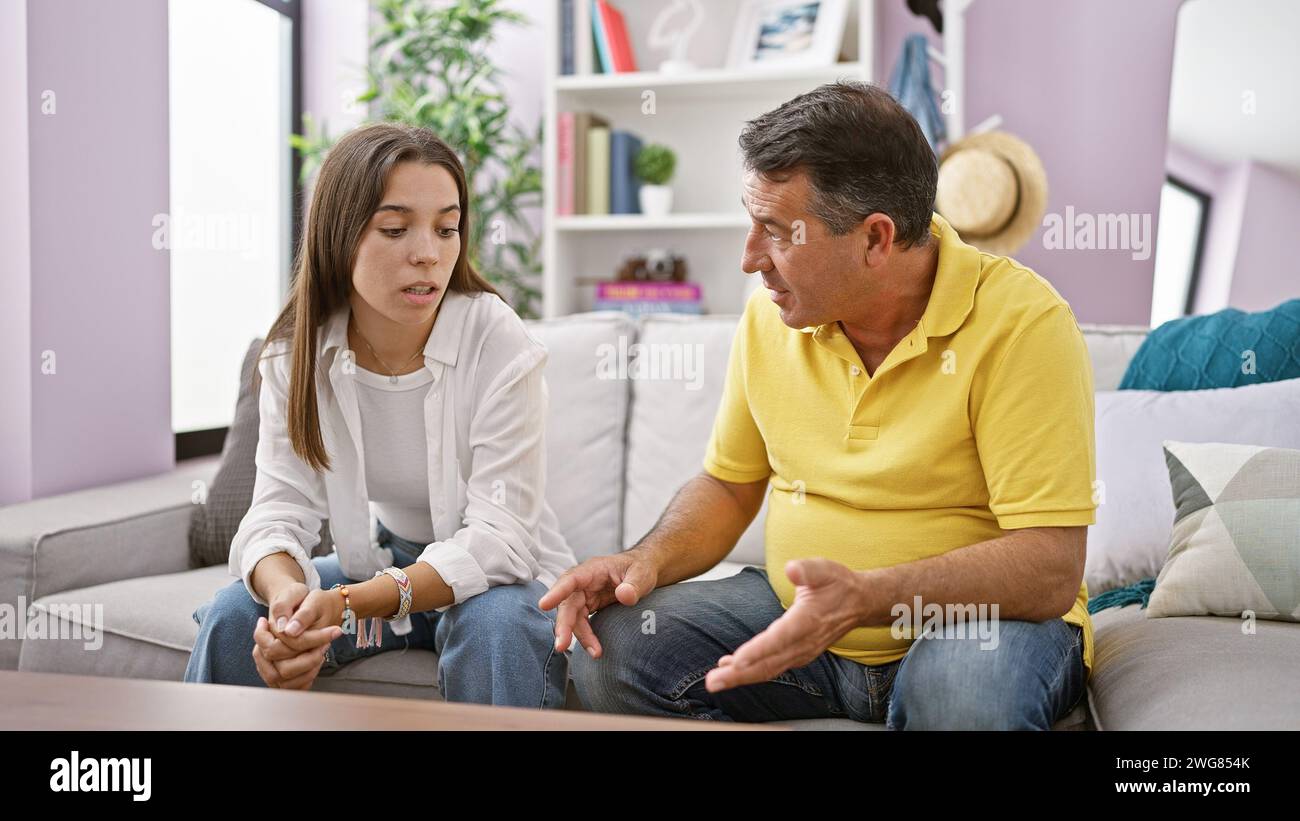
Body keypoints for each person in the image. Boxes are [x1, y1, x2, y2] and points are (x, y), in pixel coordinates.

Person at [541, 81, 1096, 729]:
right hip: (795, 618)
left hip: (974, 627)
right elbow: (730, 483)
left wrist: (866, 596)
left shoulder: (1024, 324)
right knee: (616, 648)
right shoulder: (771, 319)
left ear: (875, 239)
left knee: (964, 703)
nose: (750, 259)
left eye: (776, 232)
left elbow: (1050, 567)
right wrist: (647, 557)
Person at [185, 122, 574, 709]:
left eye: (447, 229)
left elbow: (500, 538)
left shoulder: (495, 337)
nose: (429, 253)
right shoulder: (297, 353)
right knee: (236, 612)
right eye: (396, 229)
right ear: (340, 238)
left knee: (494, 624)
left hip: (499, 579)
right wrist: (290, 600)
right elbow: (276, 511)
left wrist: (348, 602)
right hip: (384, 558)